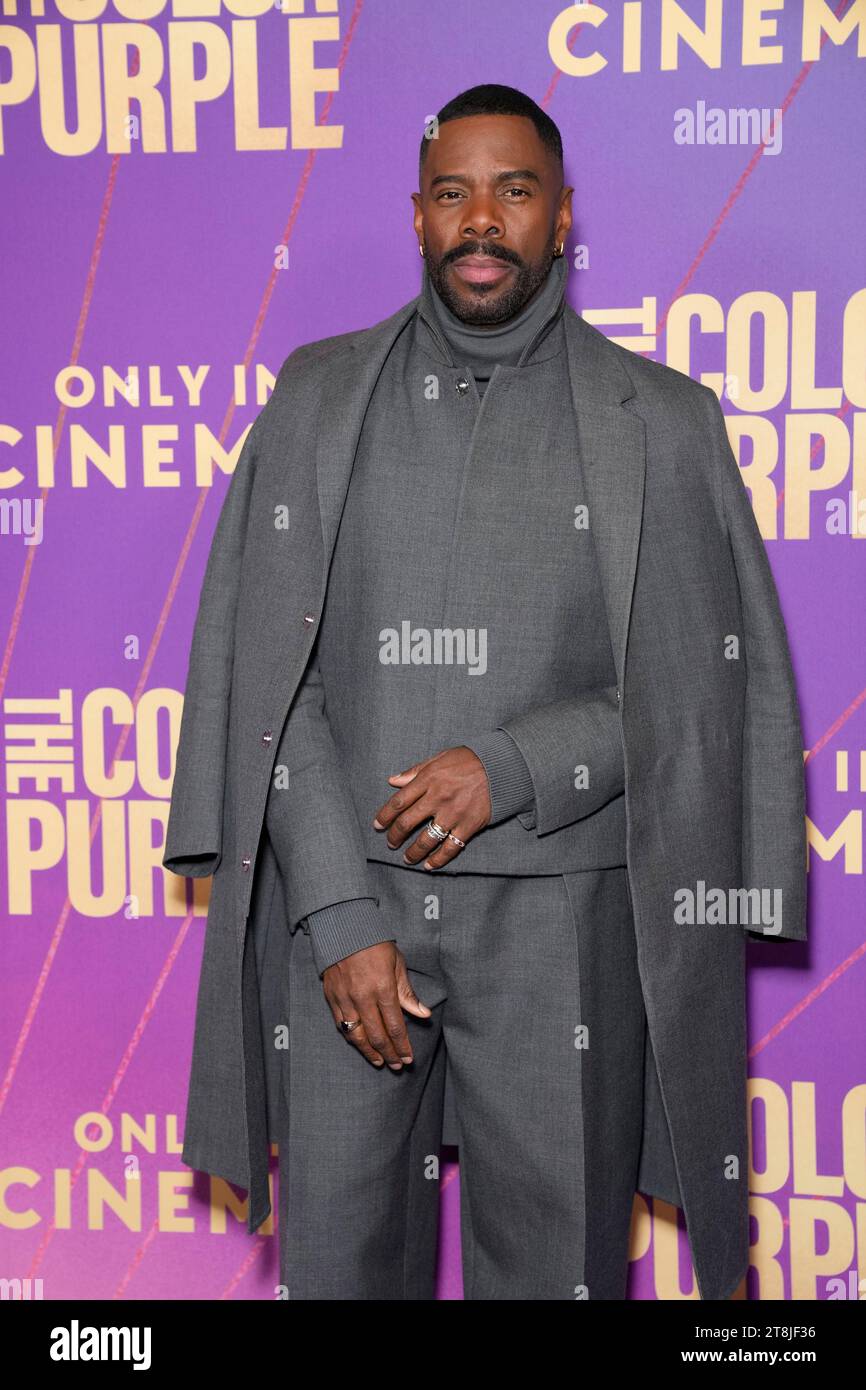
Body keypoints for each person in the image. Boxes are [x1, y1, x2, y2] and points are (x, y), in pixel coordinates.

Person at [164, 83, 807, 1302]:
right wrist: (340, 914)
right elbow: (269, 684)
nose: (481, 220)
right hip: (343, 922)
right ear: (416, 217)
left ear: (561, 218)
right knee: (341, 1267)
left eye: (513, 192)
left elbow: (695, 703)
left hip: (566, 930)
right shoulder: (312, 400)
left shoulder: (661, 424)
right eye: (452, 192)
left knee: (556, 1273)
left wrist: (512, 764)